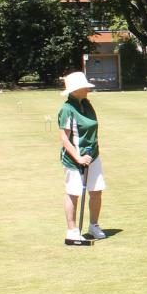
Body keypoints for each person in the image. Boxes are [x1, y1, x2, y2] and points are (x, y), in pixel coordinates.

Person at [58, 71, 106, 243]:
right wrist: (78, 158)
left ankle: (94, 225)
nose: (88, 89)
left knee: (96, 191)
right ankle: (71, 229)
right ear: (76, 89)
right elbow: (64, 139)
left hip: (93, 155)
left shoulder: (87, 104)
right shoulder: (67, 109)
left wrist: (90, 154)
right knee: (73, 192)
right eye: (84, 86)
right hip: (74, 159)